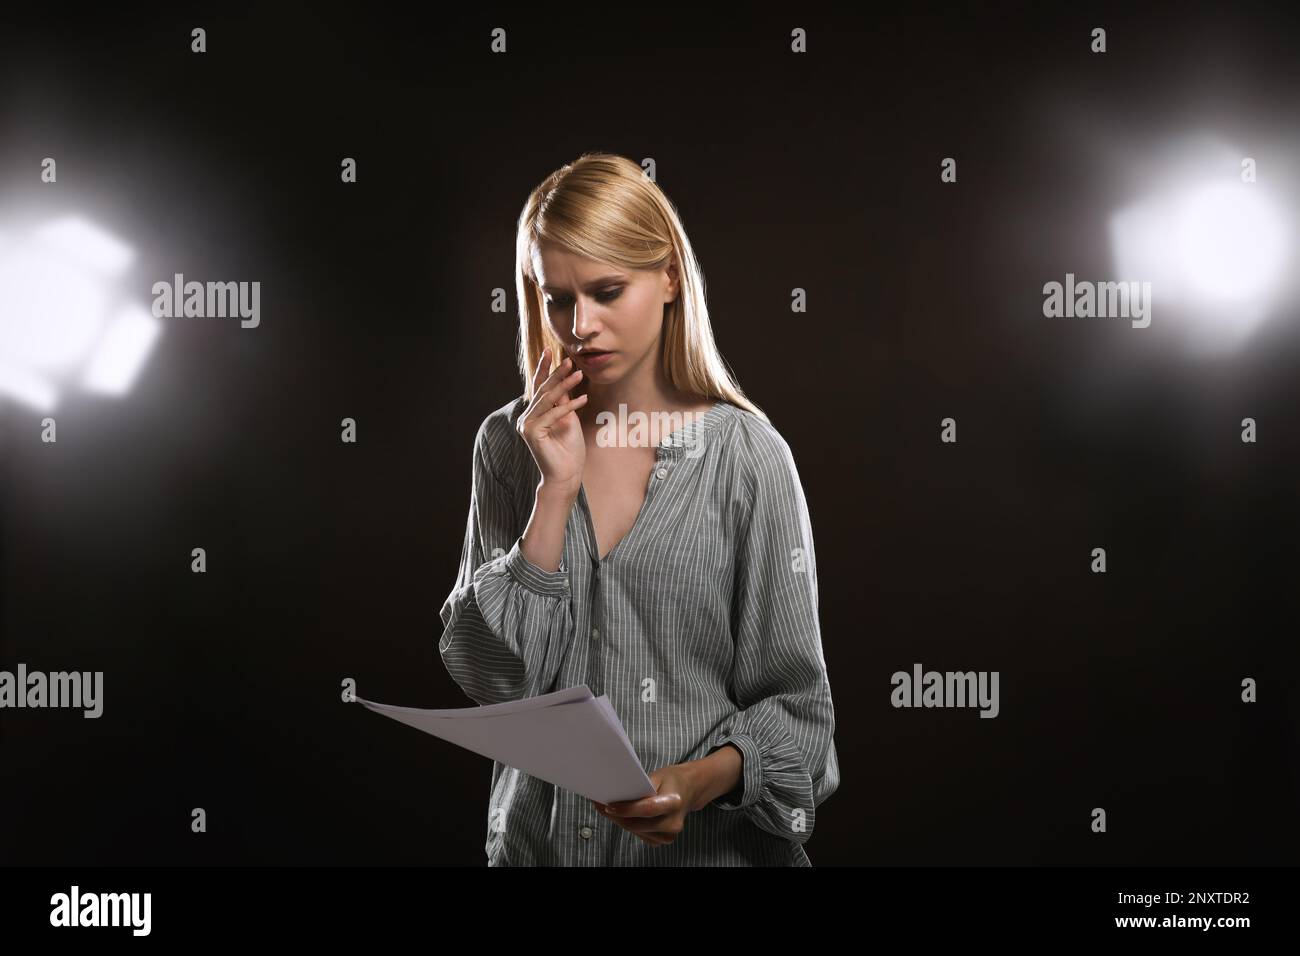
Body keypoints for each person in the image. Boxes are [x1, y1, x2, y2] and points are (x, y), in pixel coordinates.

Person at [438, 152, 839, 865]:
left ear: (669, 278)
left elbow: (802, 723)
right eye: (556, 298)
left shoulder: (748, 458)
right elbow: (491, 680)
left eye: (606, 290)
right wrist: (554, 490)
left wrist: (693, 783)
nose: (578, 325)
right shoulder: (508, 446)